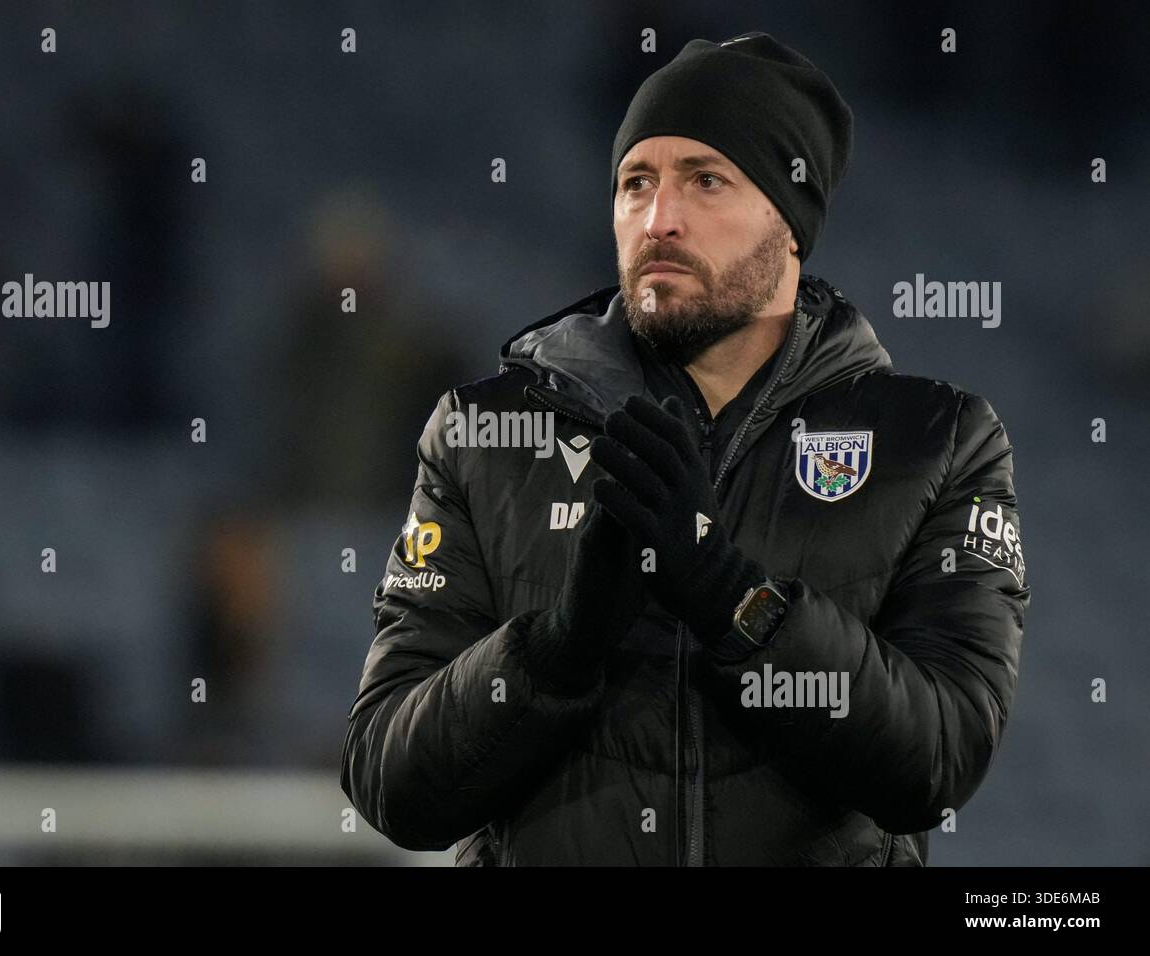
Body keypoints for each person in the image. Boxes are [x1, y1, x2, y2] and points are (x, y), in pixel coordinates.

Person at [340, 32, 1030, 866]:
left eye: (706, 180)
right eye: (636, 184)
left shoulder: (937, 444)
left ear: (790, 219)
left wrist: (734, 602)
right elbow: (389, 784)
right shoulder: (483, 435)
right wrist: (554, 651)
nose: (659, 218)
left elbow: (937, 759)